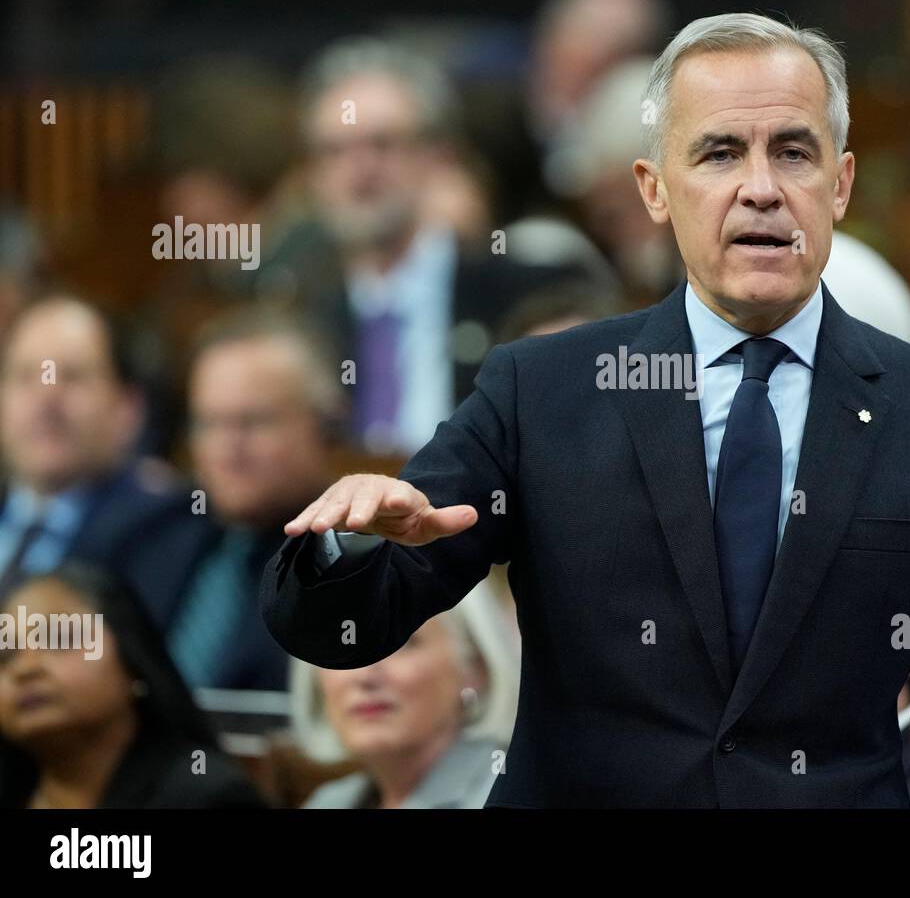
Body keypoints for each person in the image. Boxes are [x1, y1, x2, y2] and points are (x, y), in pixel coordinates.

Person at [263, 13, 910, 808]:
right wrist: (349, 547)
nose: (762, 189)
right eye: (718, 153)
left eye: (793, 152)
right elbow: (342, 629)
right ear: (654, 189)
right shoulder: (541, 391)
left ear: (839, 184)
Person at [293, 36, 594, 455]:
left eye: (382, 145)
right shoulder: (297, 315)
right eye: (335, 151)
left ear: (439, 157)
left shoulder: (530, 295)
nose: (359, 170)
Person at [159, 311, 340, 691]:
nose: (228, 449)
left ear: (323, 424)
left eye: (253, 421)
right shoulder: (157, 536)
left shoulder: (354, 561)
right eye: (209, 423)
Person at [0, 295, 205, 624]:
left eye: (73, 376)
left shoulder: (165, 530)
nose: (46, 397)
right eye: (25, 376)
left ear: (129, 408)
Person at [0, 562, 265, 807]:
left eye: (59, 639)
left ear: (133, 660)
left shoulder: (208, 799)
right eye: (6, 656)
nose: (25, 669)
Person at [297, 582, 520, 808]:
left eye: (401, 642)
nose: (363, 675)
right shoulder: (327, 801)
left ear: (475, 669)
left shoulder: (514, 796)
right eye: (344, 643)